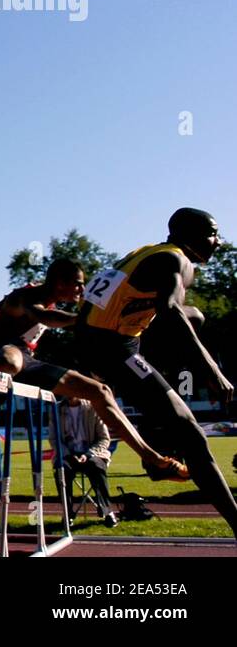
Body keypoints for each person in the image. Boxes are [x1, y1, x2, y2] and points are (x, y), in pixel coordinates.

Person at [68, 208, 237, 539]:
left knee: (196, 316)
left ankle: (158, 426)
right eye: (212, 234)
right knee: (192, 434)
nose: (217, 241)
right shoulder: (177, 261)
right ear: (190, 236)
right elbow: (170, 311)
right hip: (112, 349)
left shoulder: (147, 252)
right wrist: (211, 368)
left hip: (107, 340)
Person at [0, 258, 186, 480]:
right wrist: (83, 321)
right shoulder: (25, 296)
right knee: (12, 361)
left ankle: (155, 460)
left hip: (28, 364)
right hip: (2, 353)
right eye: (78, 284)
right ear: (60, 283)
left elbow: (83, 334)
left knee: (100, 391)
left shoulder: (51, 304)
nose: (82, 289)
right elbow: (45, 317)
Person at [53, 397, 117, 528]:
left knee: (96, 466)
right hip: (68, 454)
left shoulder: (93, 408)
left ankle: (107, 511)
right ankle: (67, 513)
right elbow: (54, 439)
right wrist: (68, 454)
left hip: (93, 453)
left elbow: (104, 438)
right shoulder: (56, 409)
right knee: (61, 469)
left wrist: (88, 454)